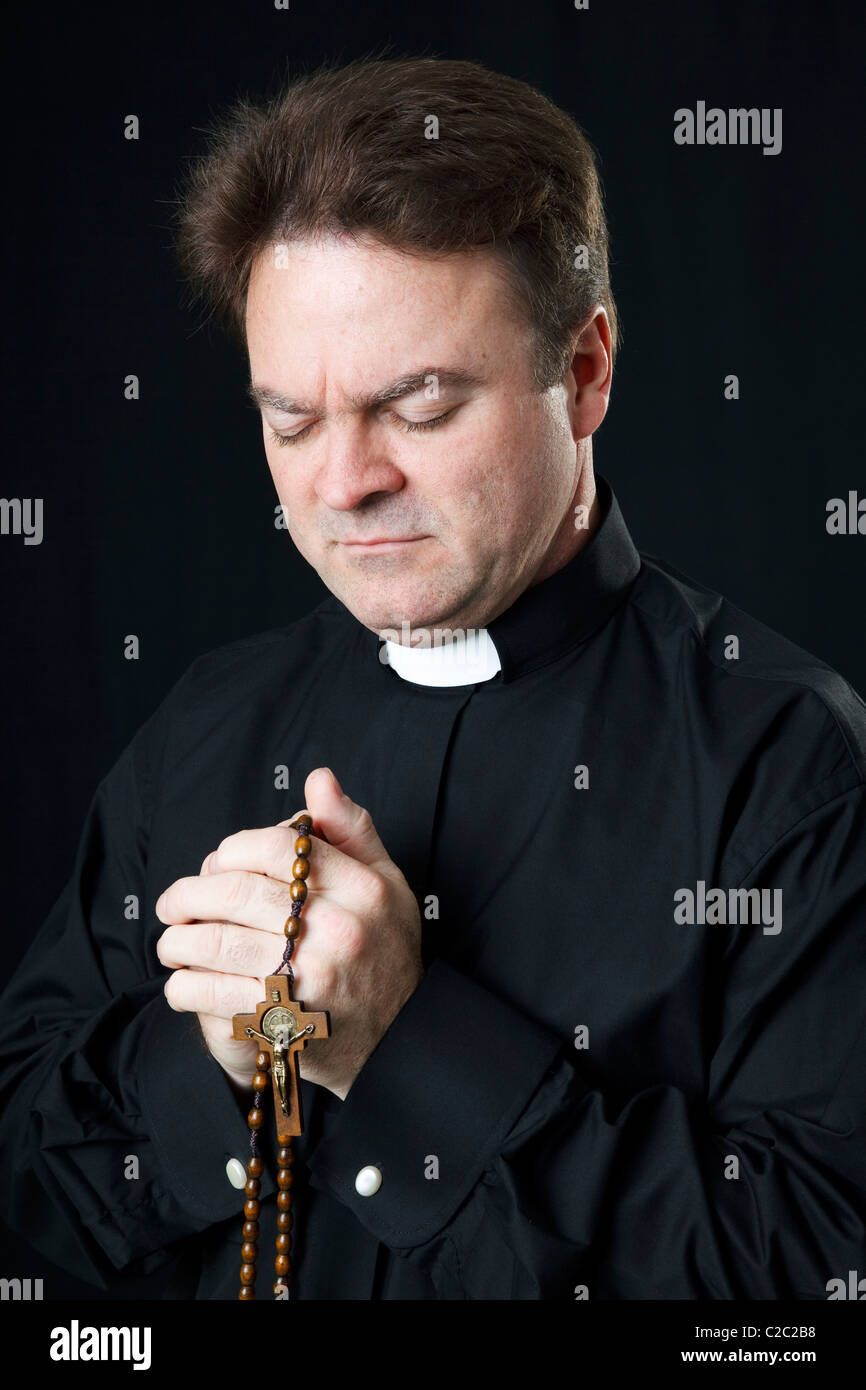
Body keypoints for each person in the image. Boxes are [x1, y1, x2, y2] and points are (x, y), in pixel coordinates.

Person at [1, 55, 864, 1302]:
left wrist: (405, 1047)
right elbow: (29, 1167)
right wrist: (217, 1060)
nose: (341, 482)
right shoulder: (203, 721)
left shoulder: (794, 771)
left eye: (415, 404)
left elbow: (809, 1283)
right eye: (290, 420)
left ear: (582, 373)